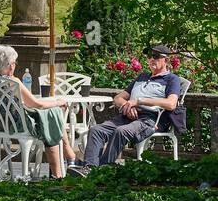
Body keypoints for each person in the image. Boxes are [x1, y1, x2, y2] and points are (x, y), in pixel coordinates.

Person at [70, 45, 183, 175]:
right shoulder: (142, 77)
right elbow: (118, 98)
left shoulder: (171, 79)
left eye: (156, 56)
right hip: (128, 117)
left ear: (166, 60)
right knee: (96, 130)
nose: (152, 59)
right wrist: (126, 106)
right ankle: (90, 168)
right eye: (149, 56)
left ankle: (102, 170)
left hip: (150, 120)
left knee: (121, 131)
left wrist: (139, 101)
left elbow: (171, 104)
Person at [0, 45, 78, 178]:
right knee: (53, 114)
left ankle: (65, 157)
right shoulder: (13, 81)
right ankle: (59, 169)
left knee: (50, 115)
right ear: (11, 65)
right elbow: (36, 104)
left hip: (1, 124)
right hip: (20, 125)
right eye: (15, 63)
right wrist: (57, 102)